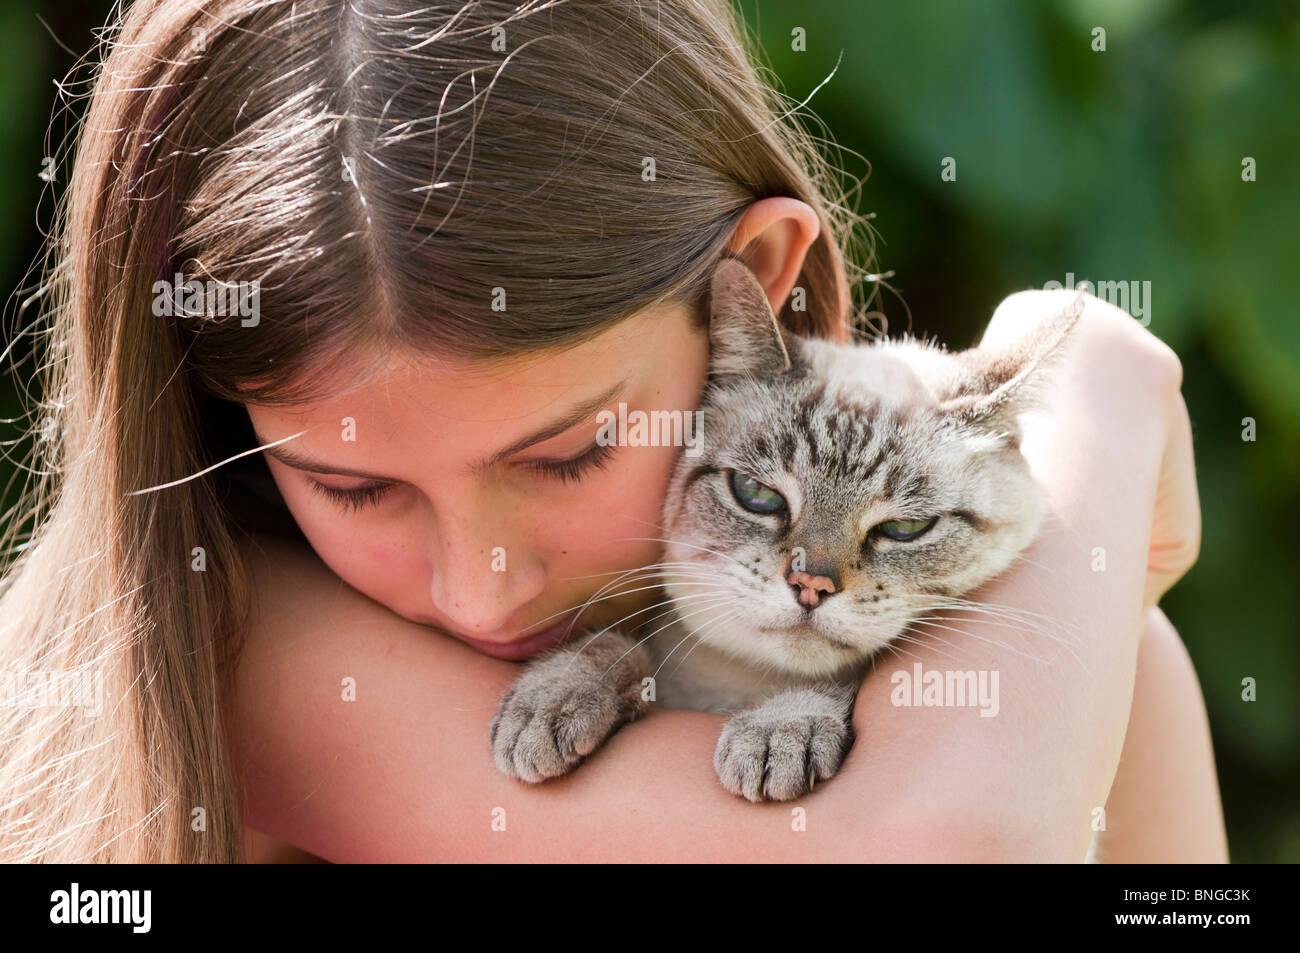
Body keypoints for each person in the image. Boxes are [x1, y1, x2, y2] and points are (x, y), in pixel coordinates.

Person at [0, 0, 1224, 863]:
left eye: (564, 454)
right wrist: (1104, 386)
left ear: (750, 284)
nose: (485, 593)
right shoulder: (206, 646)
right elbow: (953, 844)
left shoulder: (1087, 687)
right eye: (351, 486)